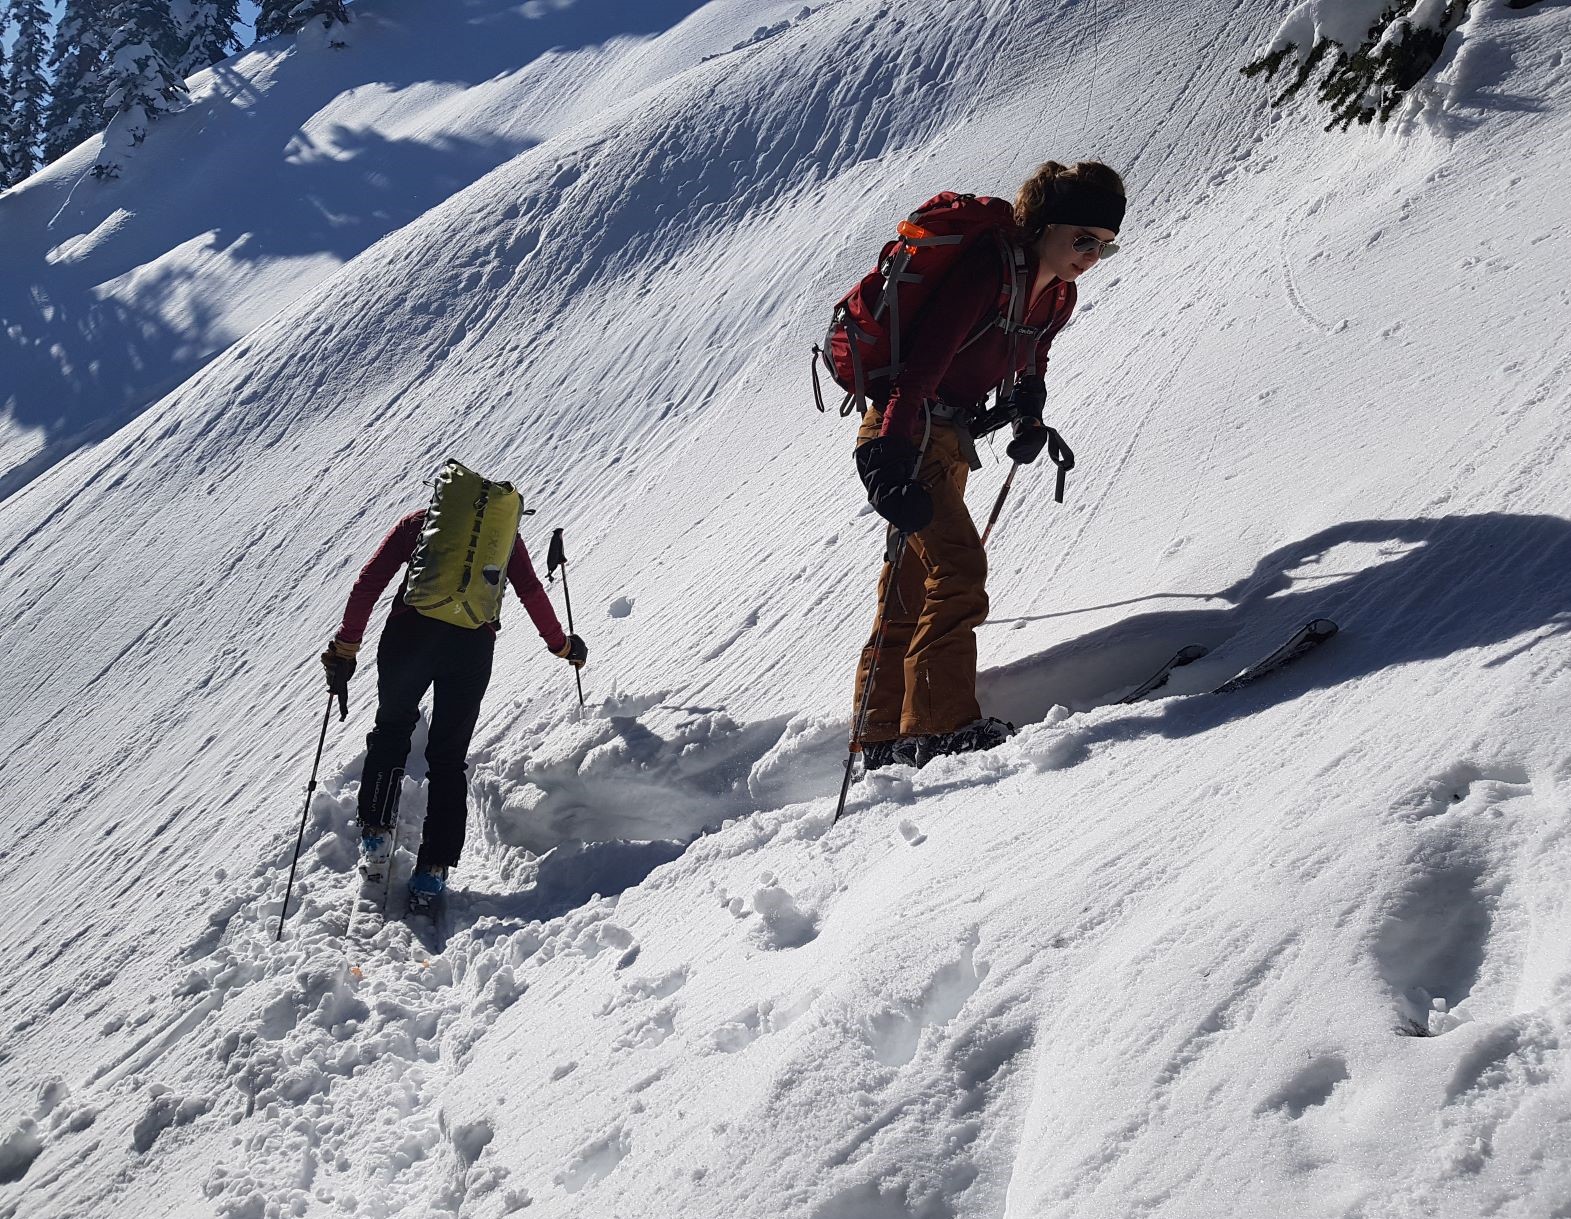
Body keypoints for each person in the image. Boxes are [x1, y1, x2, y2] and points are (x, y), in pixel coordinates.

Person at [851, 160, 1126, 769]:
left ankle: (880, 735)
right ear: (1046, 226)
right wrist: (885, 456)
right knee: (958, 569)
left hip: (951, 438)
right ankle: (941, 724)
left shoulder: (1058, 295)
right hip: (912, 431)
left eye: (1104, 247)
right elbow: (921, 369)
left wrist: (1029, 417)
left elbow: (1033, 361)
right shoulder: (989, 271)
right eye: (1083, 239)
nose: (1090, 255)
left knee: (909, 585)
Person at [319, 507, 587, 906]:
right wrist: (561, 645)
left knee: (391, 731)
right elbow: (530, 590)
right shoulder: (503, 535)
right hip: (470, 649)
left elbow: (369, 581)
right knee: (447, 758)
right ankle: (432, 869)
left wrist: (346, 646)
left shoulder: (420, 522)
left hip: (407, 637)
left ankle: (376, 840)